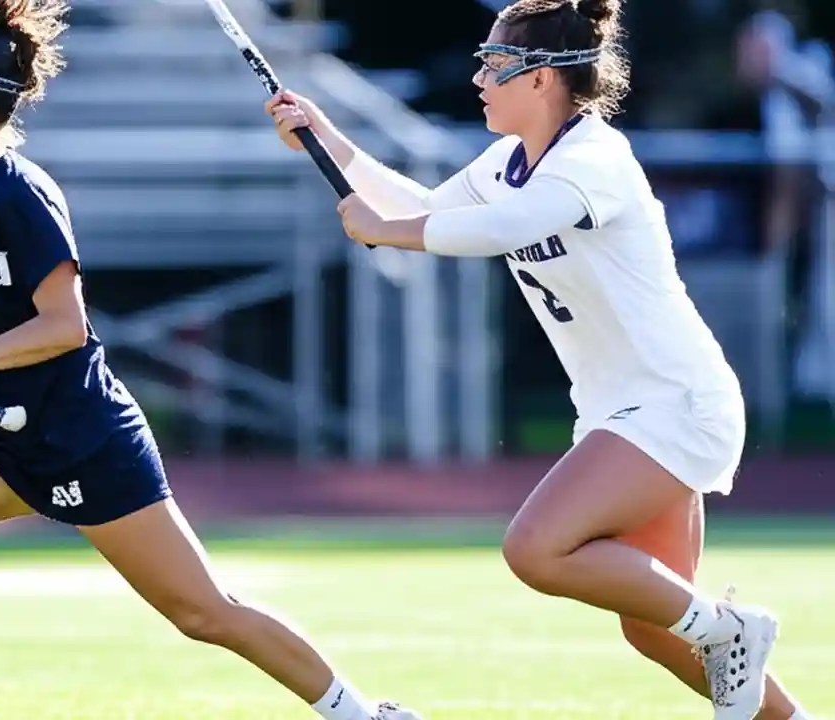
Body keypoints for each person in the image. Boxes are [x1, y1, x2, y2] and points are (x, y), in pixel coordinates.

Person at [0, 2, 419, 719]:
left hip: (85, 438)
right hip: (1, 436)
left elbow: (65, 327)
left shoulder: (22, 195)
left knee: (204, 612)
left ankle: (362, 715)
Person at [266, 1, 814, 719]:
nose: (479, 79)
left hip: (676, 403)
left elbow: (501, 227)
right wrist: (328, 140)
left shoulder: (594, 158)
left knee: (537, 548)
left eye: (494, 64)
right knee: (654, 629)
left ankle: (728, 626)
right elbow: (427, 205)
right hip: (622, 412)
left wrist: (392, 233)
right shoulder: (509, 162)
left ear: (542, 77)